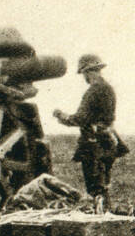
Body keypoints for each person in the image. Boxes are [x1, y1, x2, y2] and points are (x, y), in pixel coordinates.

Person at [54, 54, 126, 213]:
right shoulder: (108, 89)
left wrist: (61, 116)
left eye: (84, 73)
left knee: (95, 187)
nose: (84, 77)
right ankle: (107, 215)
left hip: (94, 143)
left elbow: (80, 118)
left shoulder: (93, 91)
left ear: (88, 72)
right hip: (108, 141)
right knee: (104, 183)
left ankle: (100, 218)